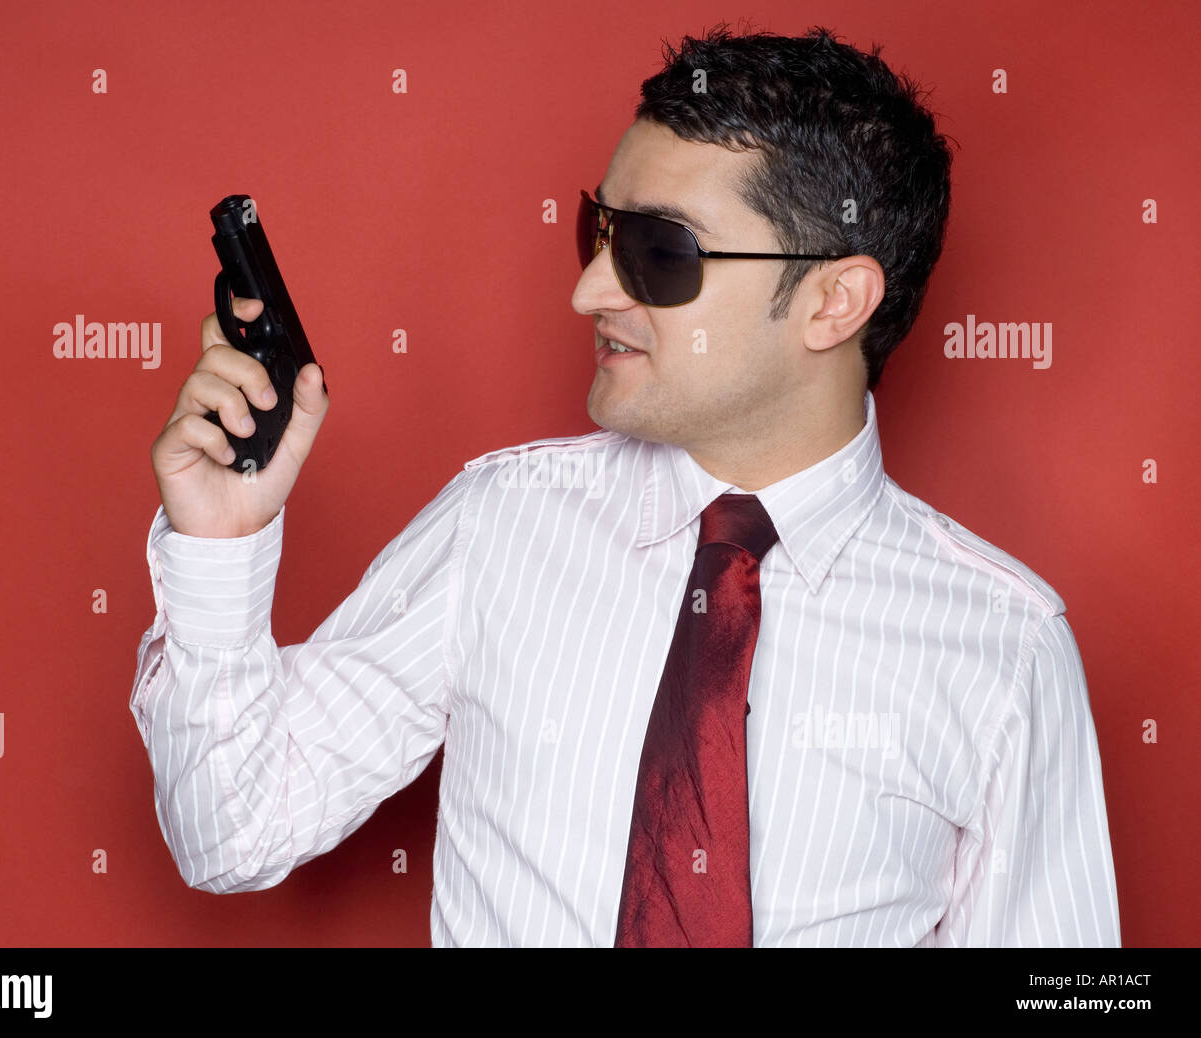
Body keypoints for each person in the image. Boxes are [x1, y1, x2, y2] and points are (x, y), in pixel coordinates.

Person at [131, 24, 1120, 947]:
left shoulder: (1002, 645)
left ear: (830, 301)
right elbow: (232, 835)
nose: (588, 291)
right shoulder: (500, 527)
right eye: (596, 233)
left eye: (658, 253)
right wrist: (220, 546)